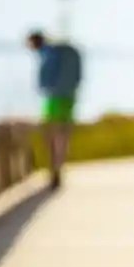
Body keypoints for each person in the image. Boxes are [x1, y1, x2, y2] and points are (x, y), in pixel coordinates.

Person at [27, 31, 83, 190]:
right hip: (69, 96)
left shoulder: (48, 53)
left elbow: (44, 80)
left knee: (51, 132)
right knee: (63, 133)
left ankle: (54, 168)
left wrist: (44, 88)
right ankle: (58, 166)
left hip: (54, 98)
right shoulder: (65, 51)